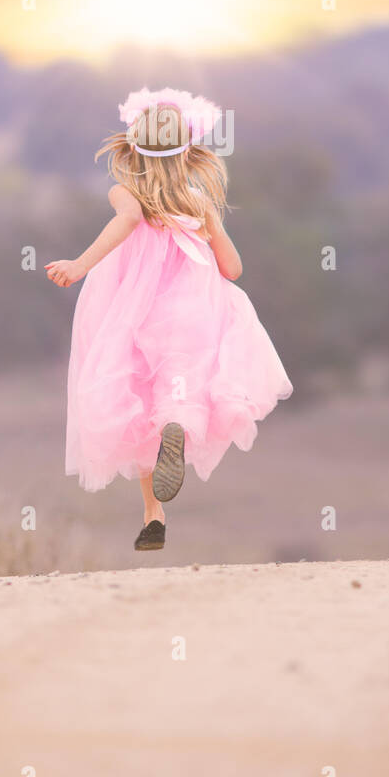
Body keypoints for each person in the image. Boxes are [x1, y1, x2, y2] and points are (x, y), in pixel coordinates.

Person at [45, 86, 292, 551]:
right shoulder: (199, 201)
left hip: (141, 312)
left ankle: (153, 513)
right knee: (179, 387)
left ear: (132, 149)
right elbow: (233, 269)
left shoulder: (126, 193)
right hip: (193, 311)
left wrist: (80, 265)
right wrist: (210, 228)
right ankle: (178, 424)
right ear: (189, 152)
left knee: (137, 398)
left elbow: (124, 222)